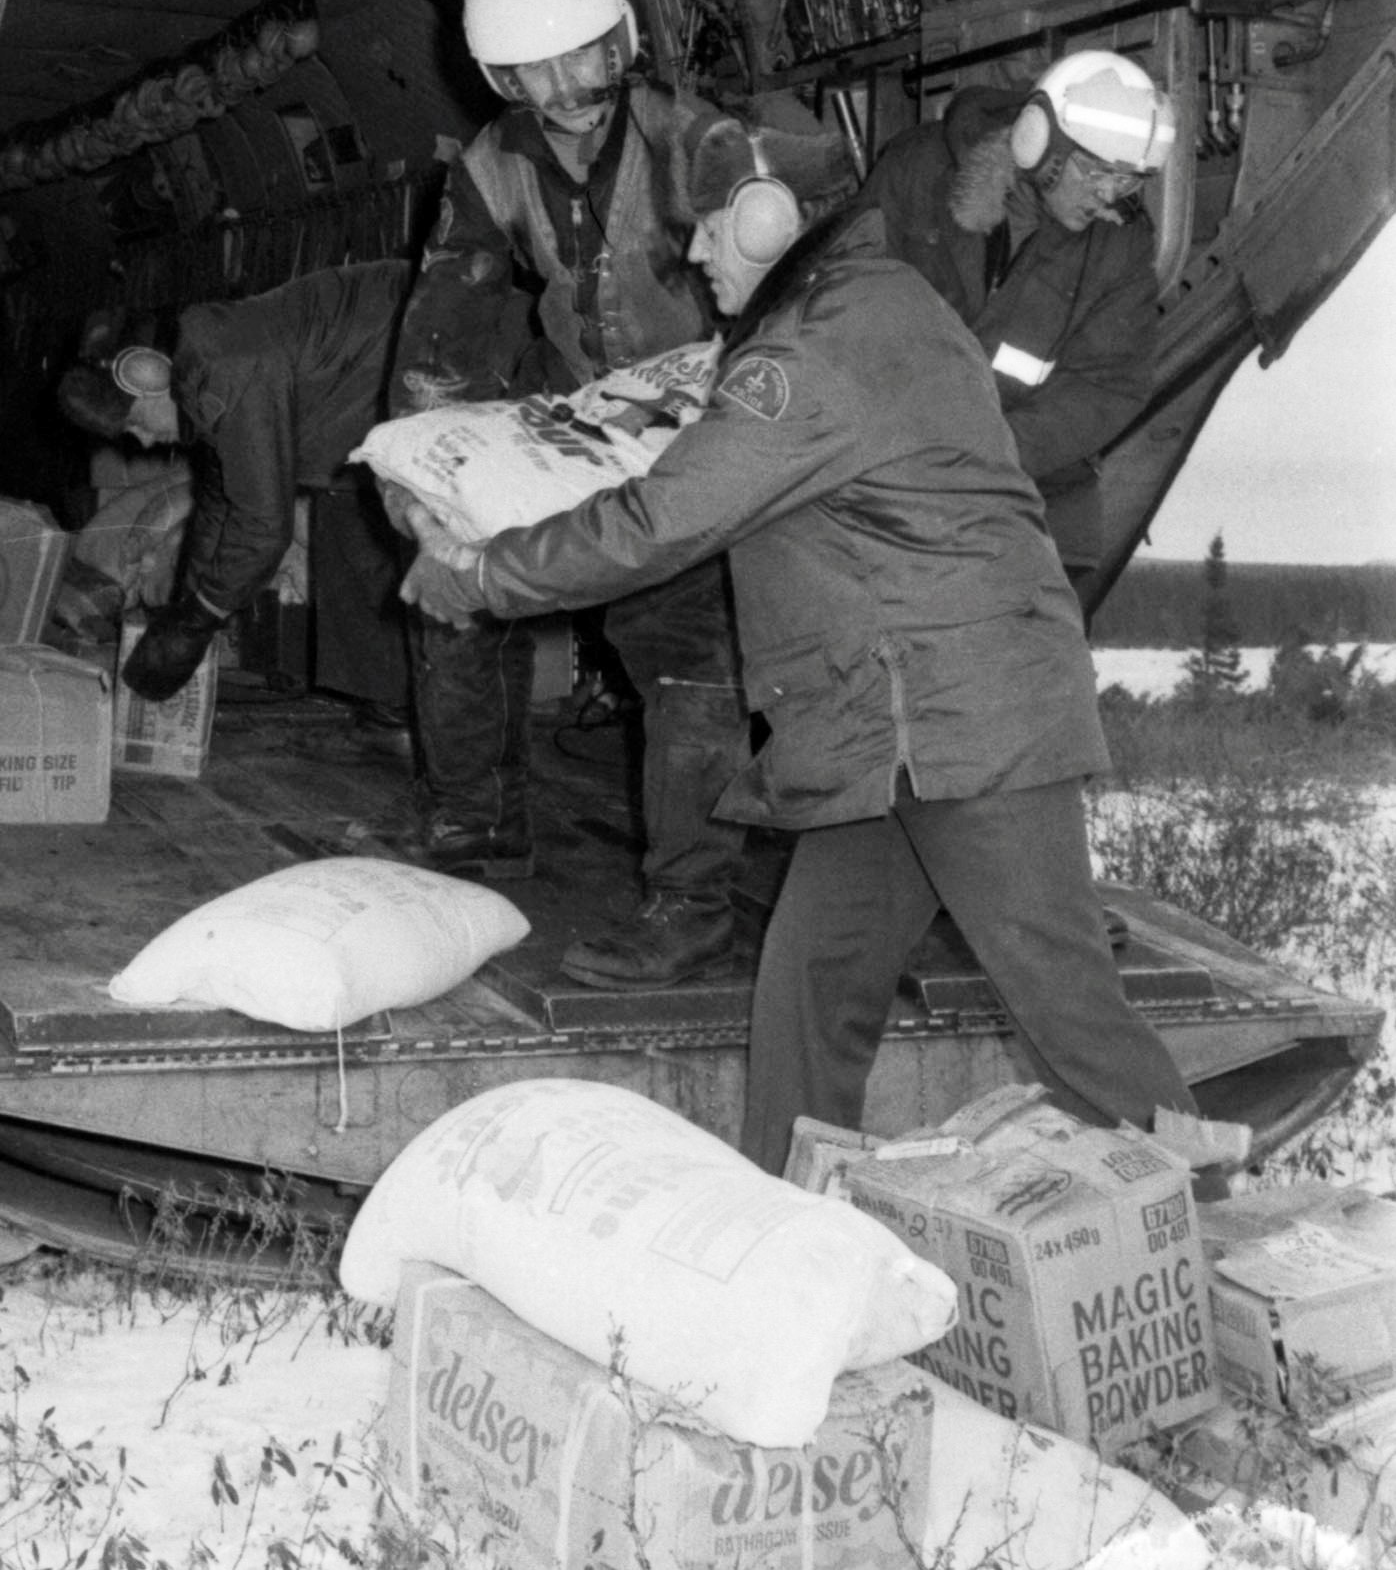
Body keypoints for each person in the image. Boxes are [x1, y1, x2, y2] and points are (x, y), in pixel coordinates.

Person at [398, 116, 1203, 1174]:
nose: (690, 253)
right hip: (903, 732)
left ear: (771, 219)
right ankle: (785, 1210)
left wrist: (481, 575)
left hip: (961, 725)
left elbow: (661, 521)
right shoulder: (875, 304)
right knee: (813, 983)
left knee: (1067, 1010)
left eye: (708, 231)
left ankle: (1221, 1225)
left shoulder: (817, 348)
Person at [387, 0, 851, 986]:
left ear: (622, 45)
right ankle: (479, 829)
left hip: (708, 437)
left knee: (683, 655)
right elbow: (443, 332)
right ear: (497, 78)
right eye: (530, 73)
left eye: (584, 60)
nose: (563, 89)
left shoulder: (695, 140)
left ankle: (689, 904)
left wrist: (759, 210)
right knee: (447, 586)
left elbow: (774, 220)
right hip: (580, 428)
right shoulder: (490, 168)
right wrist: (432, 486)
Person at [856, 49, 1175, 597]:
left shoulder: (1120, 246)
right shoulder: (920, 171)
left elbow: (1107, 383)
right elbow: (848, 299)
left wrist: (990, 448)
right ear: (1038, 141)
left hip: (1026, 496)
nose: (1108, 197)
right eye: (1096, 171)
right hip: (885, 466)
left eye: (1127, 181)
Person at [75, 260, 413, 703]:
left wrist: (198, 621)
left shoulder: (225, 367)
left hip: (433, 354)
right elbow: (220, 504)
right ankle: (388, 708)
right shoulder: (202, 380)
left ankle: (471, 752)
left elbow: (264, 526)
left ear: (150, 375)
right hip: (372, 398)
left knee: (437, 560)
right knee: (348, 531)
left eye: (134, 422)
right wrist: (184, 603)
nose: (141, 440)